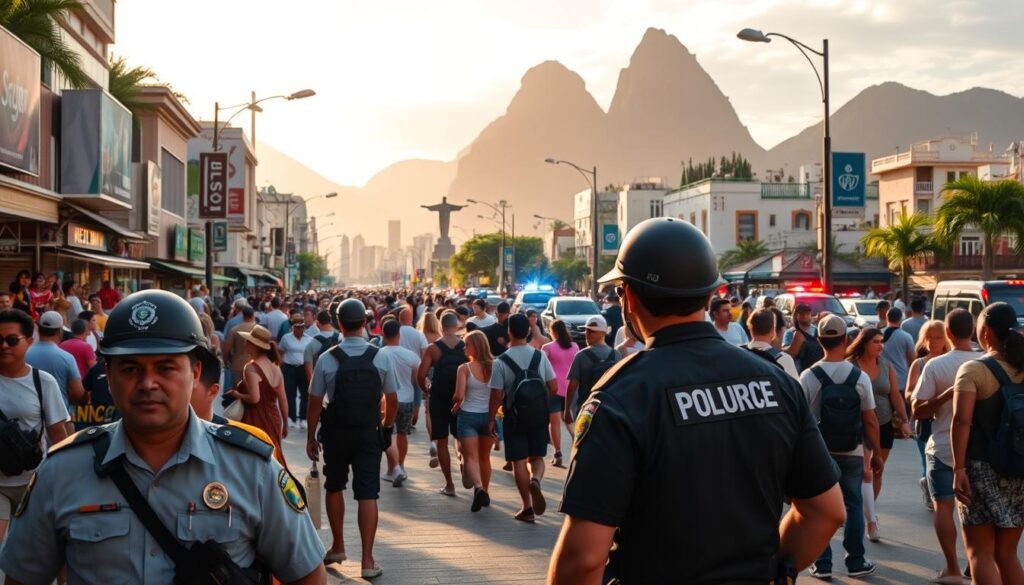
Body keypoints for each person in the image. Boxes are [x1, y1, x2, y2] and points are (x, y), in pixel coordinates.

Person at [550, 218, 844, 584]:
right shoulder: (778, 383)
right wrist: (775, 572)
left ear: (629, 296)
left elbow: (583, 558)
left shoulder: (622, 396)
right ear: (710, 295)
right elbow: (826, 512)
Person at [0, 290, 327, 584]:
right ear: (109, 377)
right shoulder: (61, 471)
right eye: (130, 369)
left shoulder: (251, 468)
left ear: (195, 373)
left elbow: (307, 575)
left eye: (166, 368)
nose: (148, 383)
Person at [307, 298, 398, 579]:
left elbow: (314, 401)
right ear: (365, 322)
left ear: (338, 323)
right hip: (369, 432)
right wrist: (386, 426)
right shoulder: (381, 356)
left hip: (336, 433)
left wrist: (311, 436)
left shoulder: (327, 358)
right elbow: (392, 398)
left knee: (334, 487)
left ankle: (338, 547)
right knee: (368, 493)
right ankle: (368, 561)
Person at [800, 314, 883, 579]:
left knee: (820, 508)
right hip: (852, 451)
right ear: (846, 340)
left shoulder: (809, 376)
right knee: (854, 504)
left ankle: (822, 564)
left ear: (819, 339)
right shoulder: (859, 377)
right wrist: (876, 454)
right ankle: (856, 562)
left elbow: (801, 420)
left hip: (820, 453)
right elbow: (870, 419)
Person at [951, 302, 1024, 585]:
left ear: (987, 333)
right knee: (1008, 553)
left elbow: (961, 421)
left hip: (980, 469)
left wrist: (958, 469)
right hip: (1018, 469)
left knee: (979, 552)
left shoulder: (974, 369)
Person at [912, 310, 976, 585]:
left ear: (948, 334)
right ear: (972, 330)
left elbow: (918, 410)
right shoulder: (986, 362)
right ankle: (976, 564)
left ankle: (951, 567)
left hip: (941, 448)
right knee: (977, 511)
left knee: (944, 507)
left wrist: (943, 398)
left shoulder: (936, 366)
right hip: (978, 451)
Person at [0, 309, 69, 545]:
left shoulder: (43, 382)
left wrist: (62, 479)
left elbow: (58, 434)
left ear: (29, 341)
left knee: (38, 550)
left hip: (33, 482)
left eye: (11, 340)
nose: (4, 346)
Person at [490, 313, 558, 523]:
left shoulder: (501, 361)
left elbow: (496, 395)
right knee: (536, 458)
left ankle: (527, 508)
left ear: (509, 332)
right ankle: (536, 479)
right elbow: (554, 387)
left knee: (519, 461)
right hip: (538, 416)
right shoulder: (540, 356)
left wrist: (491, 419)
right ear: (528, 331)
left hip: (514, 417)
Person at [846, 327, 909, 543]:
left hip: (883, 425)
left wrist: (905, 421)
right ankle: (870, 520)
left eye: (882, 341)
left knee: (877, 471)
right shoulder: (851, 365)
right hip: (859, 425)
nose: (881, 345)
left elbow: (895, 396)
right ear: (864, 343)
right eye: (876, 341)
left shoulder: (886, 366)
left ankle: (867, 510)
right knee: (866, 473)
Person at [417, 311, 467, 496]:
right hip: (460, 398)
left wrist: (426, 389)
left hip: (438, 398)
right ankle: (464, 462)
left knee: (442, 442)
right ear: (457, 326)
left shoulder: (433, 348)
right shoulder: (465, 346)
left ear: (440, 327)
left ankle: (450, 485)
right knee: (461, 437)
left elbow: (421, 375)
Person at [906, 319, 954, 512]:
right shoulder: (919, 364)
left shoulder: (949, 361)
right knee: (929, 461)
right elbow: (909, 394)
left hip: (949, 420)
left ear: (946, 338)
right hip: (925, 422)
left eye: (938, 337)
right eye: (929, 337)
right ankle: (931, 491)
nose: (933, 342)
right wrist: (925, 393)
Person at [228, 324, 289, 468]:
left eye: (248, 341)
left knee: (254, 459)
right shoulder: (276, 367)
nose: (245, 343)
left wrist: (237, 394)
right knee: (273, 459)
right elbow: (283, 399)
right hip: (274, 418)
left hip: (256, 418)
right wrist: (285, 423)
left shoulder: (251, 368)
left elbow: (255, 398)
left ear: (255, 346)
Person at [452, 330, 499, 512]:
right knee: (485, 457)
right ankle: (485, 492)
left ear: (476, 346)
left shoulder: (464, 368)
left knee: (470, 456)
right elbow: (499, 393)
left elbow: (458, 395)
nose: (464, 348)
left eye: (467, 344)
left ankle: (478, 488)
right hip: (489, 416)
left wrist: (456, 404)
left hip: (468, 415)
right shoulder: (496, 366)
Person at [379, 319, 421, 488]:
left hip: (387, 400)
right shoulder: (410, 355)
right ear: (399, 334)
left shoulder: (380, 354)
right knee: (402, 434)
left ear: (383, 334)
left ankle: (394, 468)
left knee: (389, 435)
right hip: (407, 399)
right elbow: (418, 379)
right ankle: (399, 466)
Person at [26, 311, 86, 422]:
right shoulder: (67, 358)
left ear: (38, 330)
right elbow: (79, 393)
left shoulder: (25, 354)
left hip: (29, 418)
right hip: (59, 418)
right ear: (60, 331)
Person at [565, 315, 620, 422]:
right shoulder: (616, 355)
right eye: (586, 330)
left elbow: (572, 385)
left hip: (585, 410)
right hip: (609, 410)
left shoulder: (581, 356)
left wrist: (567, 410)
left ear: (603, 333)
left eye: (592, 331)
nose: (587, 334)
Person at [541, 320, 578, 467]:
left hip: (553, 389)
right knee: (569, 421)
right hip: (570, 389)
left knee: (554, 423)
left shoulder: (547, 347)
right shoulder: (574, 346)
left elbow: (540, 365)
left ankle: (558, 454)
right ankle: (579, 444)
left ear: (553, 331)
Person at [280, 314, 314, 429]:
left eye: (301, 327)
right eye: (297, 327)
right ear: (293, 327)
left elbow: (312, 356)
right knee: (290, 393)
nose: (299, 329)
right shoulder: (286, 338)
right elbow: (280, 352)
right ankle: (291, 417)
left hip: (303, 368)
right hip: (289, 368)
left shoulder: (309, 339)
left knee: (305, 393)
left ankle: (303, 418)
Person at [746, 308, 799, 380]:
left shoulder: (738, 355)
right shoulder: (784, 360)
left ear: (750, 328)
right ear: (773, 330)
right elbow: (797, 389)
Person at [224, 305, 258, 389]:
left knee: (238, 392)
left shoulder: (235, 329)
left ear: (243, 316)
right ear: (253, 315)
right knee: (253, 391)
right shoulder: (259, 330)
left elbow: (227, 348)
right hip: (255, 365)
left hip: (237, 364)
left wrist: (226, 360)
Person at [783, 303, 824, 373]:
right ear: (796, 316)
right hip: (802, 371)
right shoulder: (791, 332)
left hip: (819, 368)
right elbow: (787, 354)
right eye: (802, 314)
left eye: (808, 313)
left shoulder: (817, 330)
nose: (805, 316)